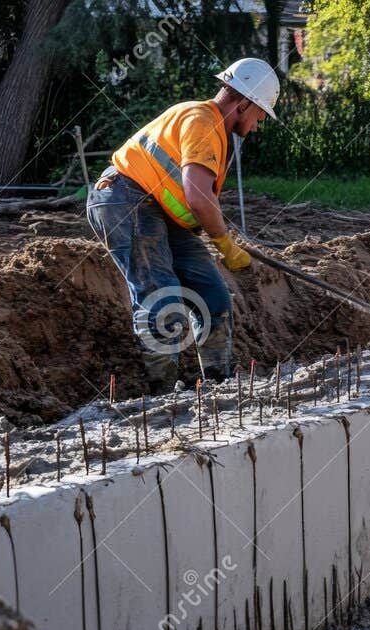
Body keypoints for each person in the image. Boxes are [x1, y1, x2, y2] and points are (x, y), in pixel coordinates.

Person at [87, 58, 278, 393]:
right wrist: (226, 245)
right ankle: (162, 394)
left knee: (214, 296)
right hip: (126, 199)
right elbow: (199, 198)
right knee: (163, 299)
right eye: (260, 114)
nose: (258, 124)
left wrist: (221, 239)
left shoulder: (213, 130)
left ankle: (218, 384)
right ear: (244, 103)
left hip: (160, 212)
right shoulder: (203, 122)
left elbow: (192, 200)